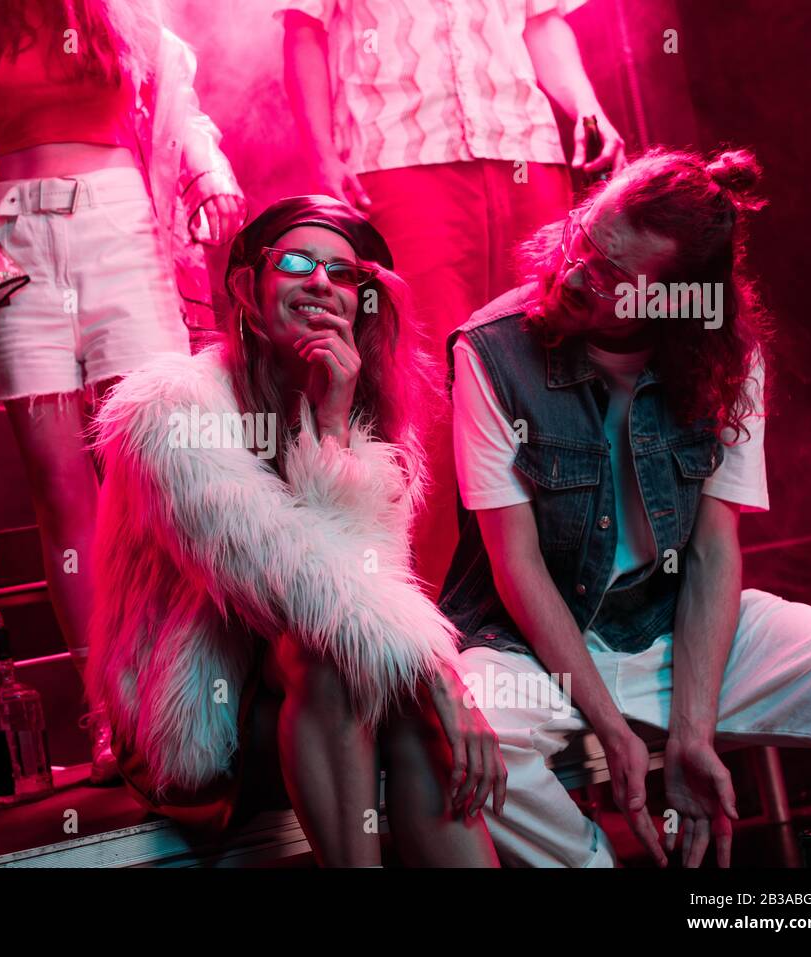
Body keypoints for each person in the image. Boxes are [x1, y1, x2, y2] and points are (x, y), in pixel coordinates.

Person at [440, 146, 811, 867]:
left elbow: (711, 550)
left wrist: (693, 730)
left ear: (672, 300)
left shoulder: (728, 358)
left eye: (612, 275)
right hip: (536, 646)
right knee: (469, 735)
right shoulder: (491, 349)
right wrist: (613, 728)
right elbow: (515, 564)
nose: (577, 272)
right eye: (584, 236)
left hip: (677, 631)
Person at [0, 0, 245, 783]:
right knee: (59, 490)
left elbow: (175, 94)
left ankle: (188, 696)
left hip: (119, 225)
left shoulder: (121, 9)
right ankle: (111, 713)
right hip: (16, 234)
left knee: (152, 472)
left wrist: (208, 169)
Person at [87, 195, 504, 867]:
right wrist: (441, 676)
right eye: (298, 263)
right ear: (247, 288)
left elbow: (366, 580)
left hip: (326, 707)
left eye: (344, 274)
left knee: (387, 689)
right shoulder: (169, 407)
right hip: (201, 718)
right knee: (335, 655)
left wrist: (333, 428)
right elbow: (295, 579)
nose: (321, 282)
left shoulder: (368, 418)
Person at [280, 0, 625, 596]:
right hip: (402, 158)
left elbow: (543, 22)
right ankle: (433, 620)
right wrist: (321, 154)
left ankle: (569, 595)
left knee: (552, 371)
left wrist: (586, 106)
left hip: (524, 148)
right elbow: (302, 32)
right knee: (430, 391)